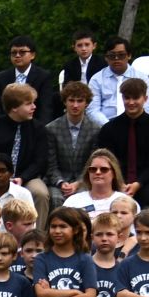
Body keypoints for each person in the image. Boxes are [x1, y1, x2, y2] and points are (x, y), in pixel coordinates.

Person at [0, 83, 50, 227]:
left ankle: (36, 237)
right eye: (28, 104)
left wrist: (23, 178)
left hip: (26, 177)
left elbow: (40, 162)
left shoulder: (38, 129)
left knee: (40, 192)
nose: (34, 107)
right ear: (14, 107)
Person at [95, 78, 149, 211]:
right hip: (115, 179)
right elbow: (107, 160)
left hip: (146, 179)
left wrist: (138, 183)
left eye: (136, 98)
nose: (131, 102)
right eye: (127, 98)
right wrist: (119, 182)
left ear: (145, 98)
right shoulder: (108, 129)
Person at [45, 81, 101, 211]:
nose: (75, 105)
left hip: (84, 181)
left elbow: (92, 162)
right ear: (65, 102)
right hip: (58, 182)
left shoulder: (95, 130)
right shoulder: (51, 129)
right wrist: (61, 182)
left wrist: (78, 183)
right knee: (56, 199)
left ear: (86, 103)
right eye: (71, 100)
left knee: (84, 198)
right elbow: (51, 163)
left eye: (80, 101)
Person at [0, 34, 57, 125]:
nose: (17, 56)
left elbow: (45, 108)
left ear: (32, 55)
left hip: (33, 126)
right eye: (14, 53)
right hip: (6, 126)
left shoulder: (43, 76)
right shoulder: (2, 77)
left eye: (22, 52)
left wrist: (40, 130)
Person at [87, 36, 149, 125]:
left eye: (121, 55)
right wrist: (110, 127)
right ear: (106, 57)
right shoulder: (96, 79)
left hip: (136, 124)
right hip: (105, 126)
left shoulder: (141, 77)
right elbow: (92, 111)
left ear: (129, 55)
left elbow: (147, 108)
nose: (116, 59)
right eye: (112, 56)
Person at [63, 149, 124, 219]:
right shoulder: (73, 202)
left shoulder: (126, 202)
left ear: (114, 173)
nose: (98, 172)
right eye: (93, 169)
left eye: (104, 169)